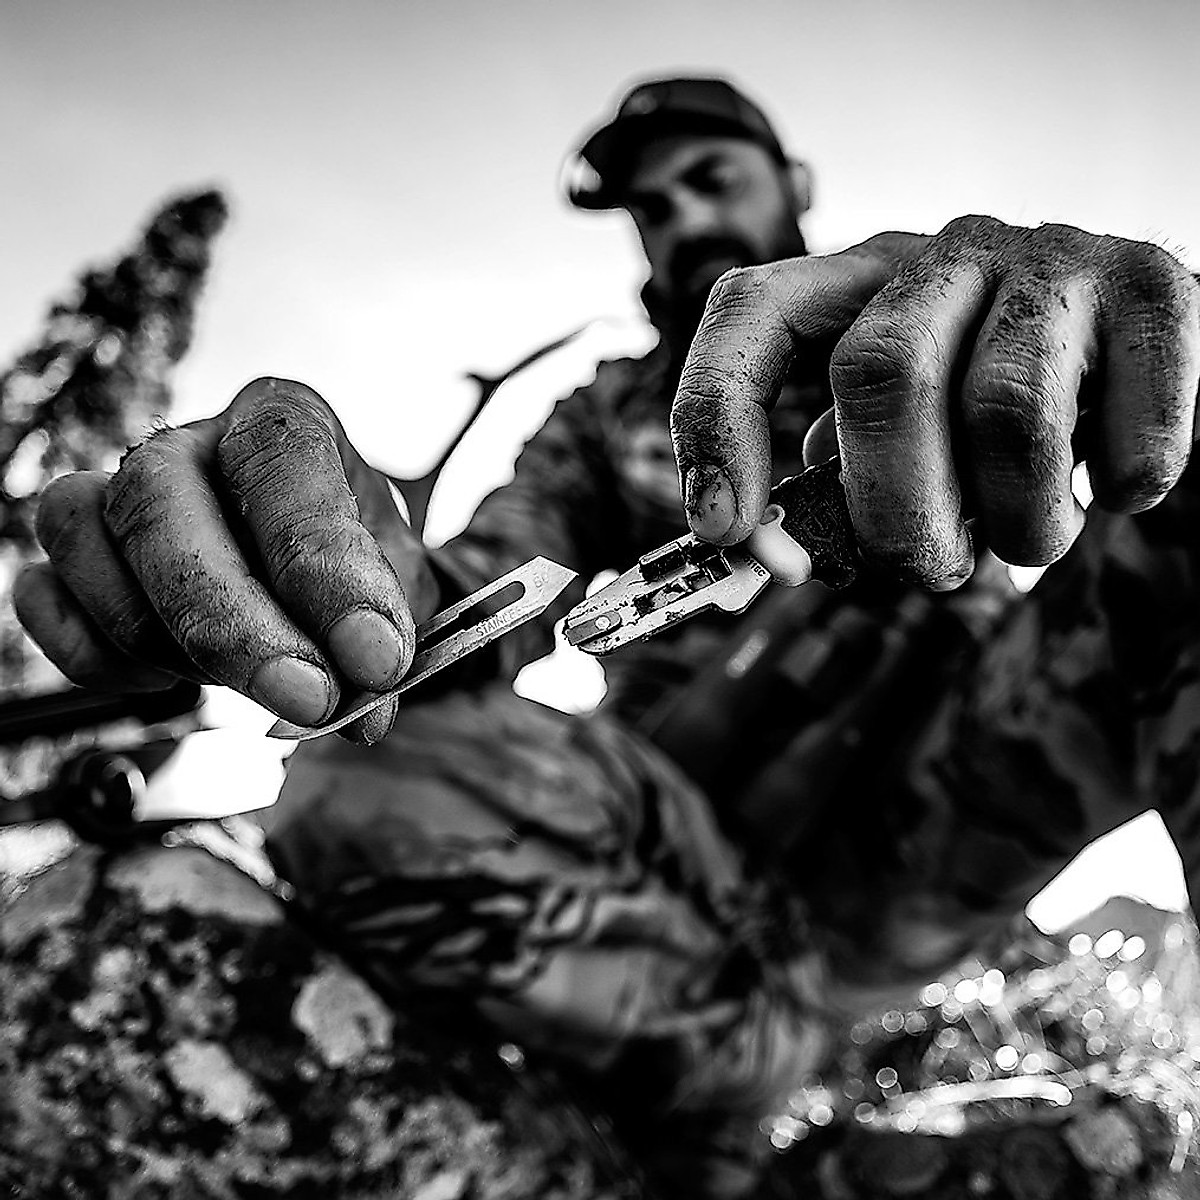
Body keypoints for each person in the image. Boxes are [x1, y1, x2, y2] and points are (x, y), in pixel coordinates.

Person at [13, 76, 1200, 1197]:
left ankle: (745, 1082)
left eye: (711, 177)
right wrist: (347, 581)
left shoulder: (944, 331)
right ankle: (733, 1089)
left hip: (918, 847)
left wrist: (1142, 352)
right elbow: (478, 589)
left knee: (1187, 526)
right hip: (668, 853)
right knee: (355, 784)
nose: (683, 217)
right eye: (652, 206)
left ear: (793, 180)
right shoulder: (608, 417)